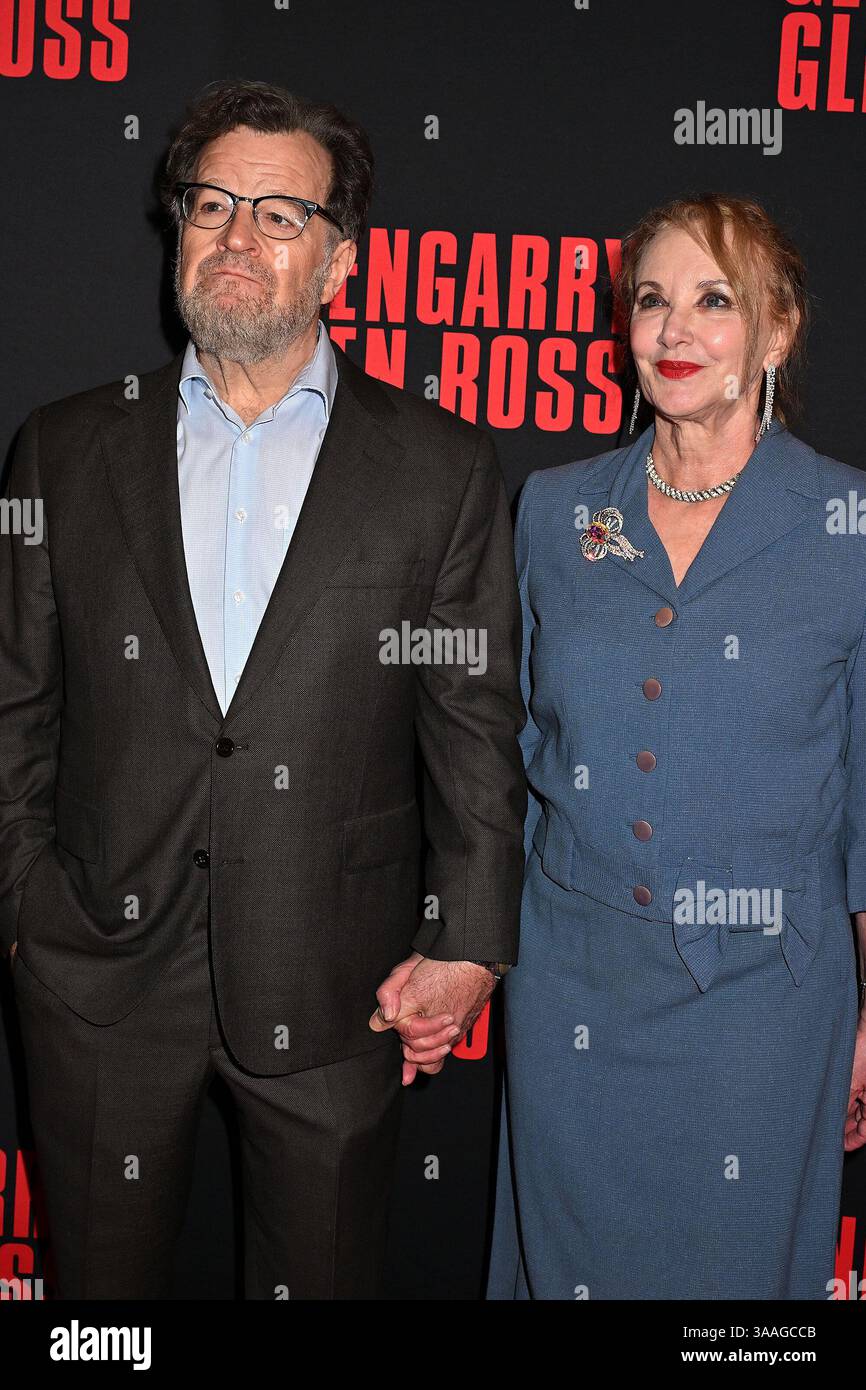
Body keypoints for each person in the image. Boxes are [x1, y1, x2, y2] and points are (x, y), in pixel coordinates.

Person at [0, 78, 526, 1300]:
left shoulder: (436, 469)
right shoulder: (65, 449)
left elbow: (472, 729)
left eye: (280, 214)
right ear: (177, 227)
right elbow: (15, 705)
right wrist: (26, 909)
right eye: (213, 204)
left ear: (340, 259)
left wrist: (468, 941)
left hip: (338, 975)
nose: (238, 236)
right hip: (95, 972)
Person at [485, 193, 866, 1300]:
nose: (673, 330)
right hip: (572, 991)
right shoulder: (557, 513)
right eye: (650, 300)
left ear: (775, 330)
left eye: (712, 300)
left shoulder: (847, 523)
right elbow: (502, 756)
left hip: (760, 1004)